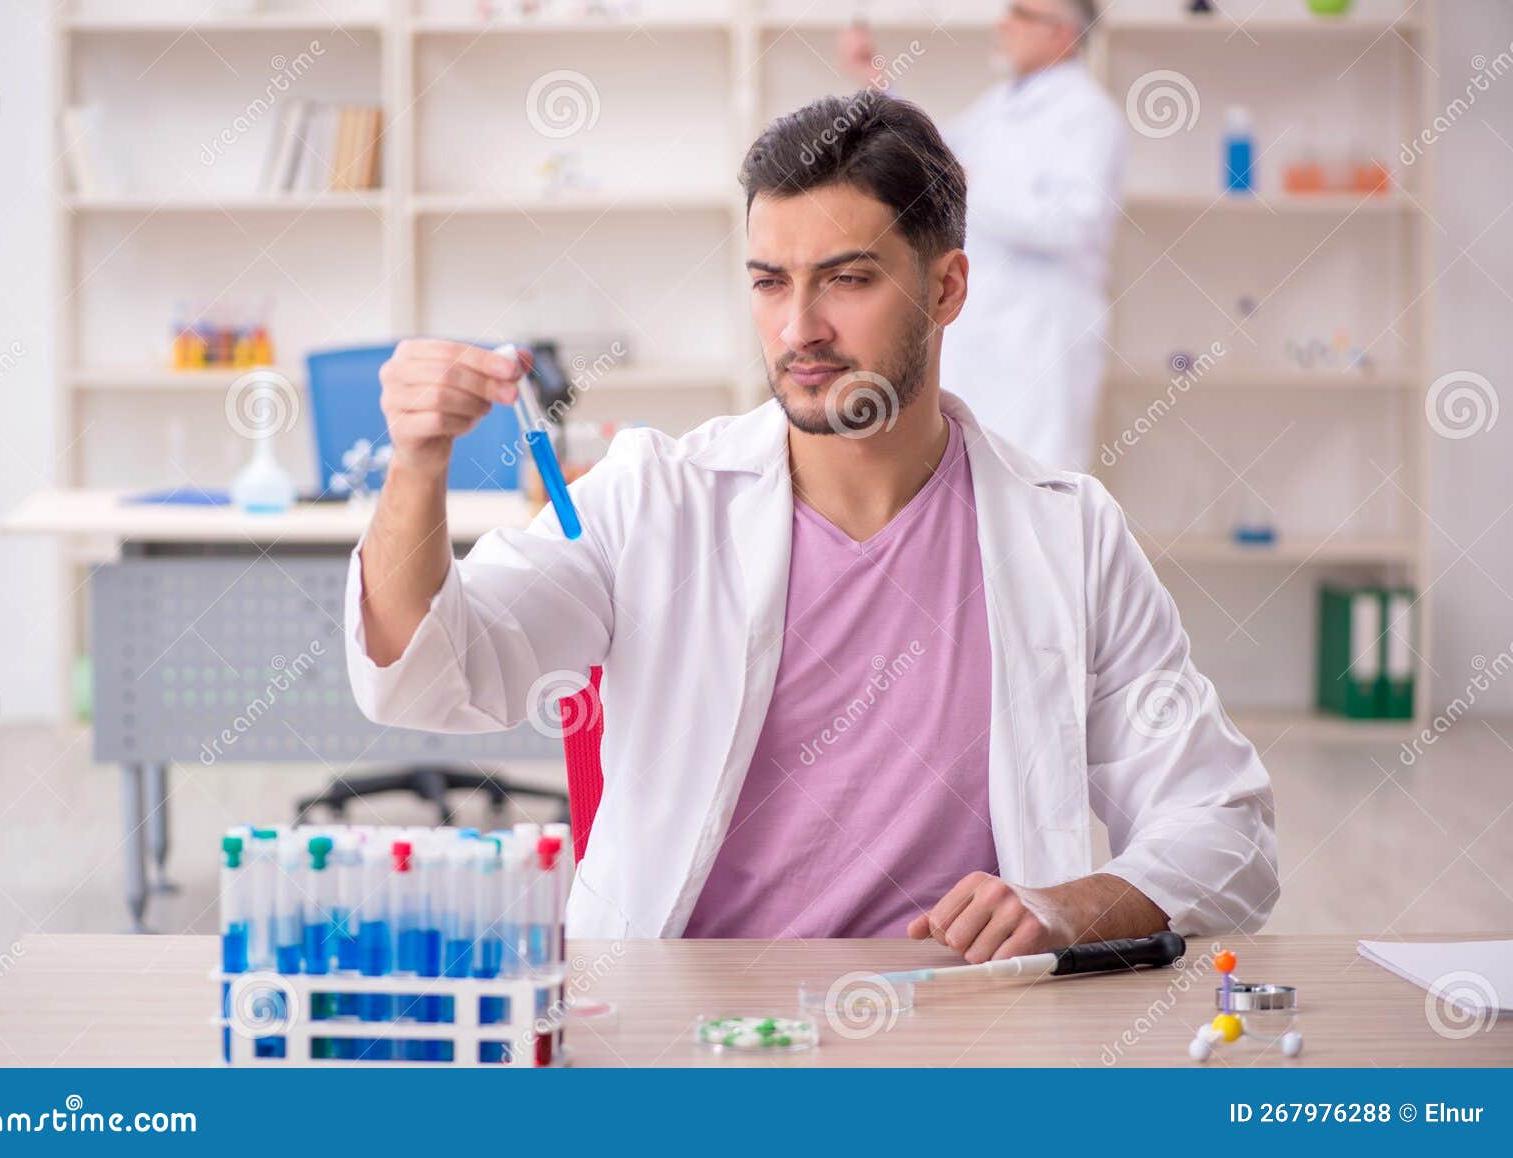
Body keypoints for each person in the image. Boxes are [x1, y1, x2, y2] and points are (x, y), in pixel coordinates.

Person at [346, 90, 1276, 961]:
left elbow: (1226, 831)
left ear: (946, 289)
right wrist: (418, 466)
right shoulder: (653, 499)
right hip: (684, 1036)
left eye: (847, 280)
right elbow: (427, 681)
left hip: (961, 1033)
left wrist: (1068, 908)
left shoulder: (1067, 536)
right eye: (768, 282)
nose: (799, 330)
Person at [840, 0, 1125, 471]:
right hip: (989, 338)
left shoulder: (1091, 116)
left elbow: (1074, 221)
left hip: (1042, 339)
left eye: (1021, 13)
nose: (1004, 23)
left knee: (1039, 491)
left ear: (1062, 34)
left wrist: (969, 181)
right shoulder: (1001, 105)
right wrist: (878, 80)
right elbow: (935, 151)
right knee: (978, 491)